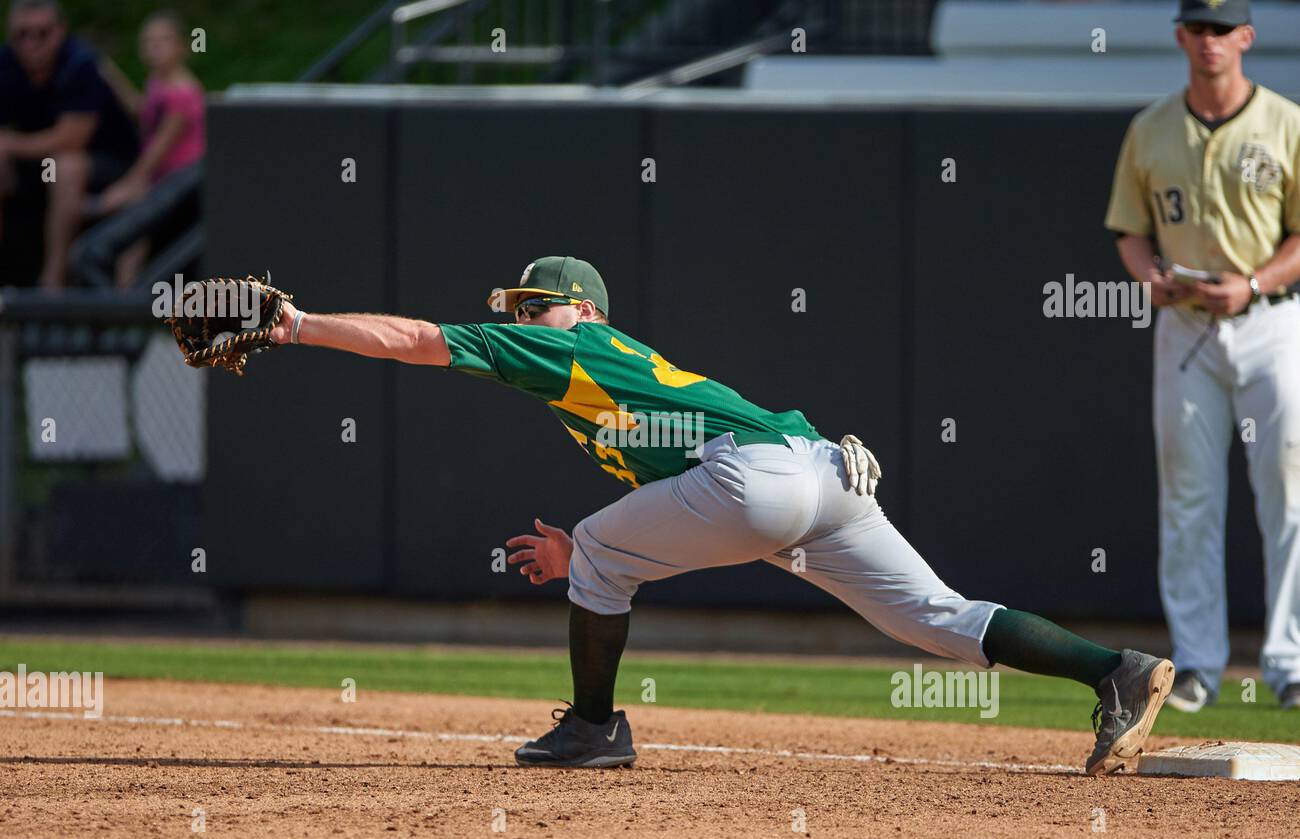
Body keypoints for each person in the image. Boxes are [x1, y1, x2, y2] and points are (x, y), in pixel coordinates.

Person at [255, 254, 1176, 773]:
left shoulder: (567, 348)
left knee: (606, 562)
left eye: (535, 305)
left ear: (575, 309)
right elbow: (676, 495)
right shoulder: (605, 378)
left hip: (763, 481)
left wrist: (293, 326)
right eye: (521, 308)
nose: (522, 317)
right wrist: (587, 547)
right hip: (816, 475)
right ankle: (1118, 672)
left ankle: (593, 727)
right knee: (940, 621)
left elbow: (417, 341)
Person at [1105, 0, 1300, 713]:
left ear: (1246, 36)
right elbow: (1129, 229)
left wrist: (1254, 283)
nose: (1209, 39)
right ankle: (1194, 664)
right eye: (1198, 26)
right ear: (1181, 35)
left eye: (1223, 27)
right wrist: (1148, 276)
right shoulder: (1151, 127)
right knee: (1188, 496)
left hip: (1270, 320)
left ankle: (1291, 662)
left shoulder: (1286, 121)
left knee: (1289, 491)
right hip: (1185, 325)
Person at [0, 0, 139, 289]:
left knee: (66, 166)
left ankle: (53, 283)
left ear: (60, 31)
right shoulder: (7, 63)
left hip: (109, 163)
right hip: (38, 163)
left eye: (42, 33)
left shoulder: (81, 63)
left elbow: (70, 139)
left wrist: (9, 144)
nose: (31, 43)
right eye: (22, 34)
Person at [95, 10, 205, 286]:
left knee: (131, 212)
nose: (154, 47)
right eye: (148, 40)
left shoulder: (183, 91)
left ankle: (122, 296)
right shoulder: (158, 83)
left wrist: (130, 184)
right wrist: (110, 74)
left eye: (163, 40)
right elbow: (142, 112)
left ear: (182, 46)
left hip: (181, 182)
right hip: (161, 178)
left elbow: (157, 150)